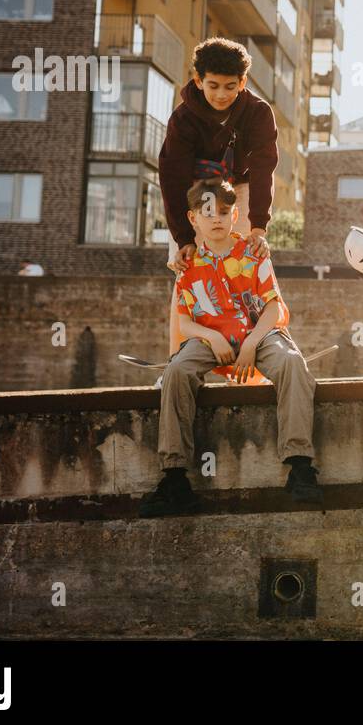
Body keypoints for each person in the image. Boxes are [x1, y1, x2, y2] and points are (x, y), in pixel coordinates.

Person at [138, 178, 320, 518]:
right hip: (210, 337)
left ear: (235, 215)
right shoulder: (187, 264)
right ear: (193, 219)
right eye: (207, 212)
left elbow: (273, 307)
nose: (216, 218)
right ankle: (175, 479)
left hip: (259, 334)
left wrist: (251, 342)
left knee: (293, 363)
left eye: (223, 211)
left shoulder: (253, 252)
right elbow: (186, 321)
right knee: (176, 371)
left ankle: (301, 468)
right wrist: (214, 338)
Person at [159, 37, 277, 355]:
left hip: (239, 187)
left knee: (243, 265)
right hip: (196, 192)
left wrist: (258, 227)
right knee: (189, 273)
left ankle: (250, 352)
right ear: (198, 80)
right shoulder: (183, 119)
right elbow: (172, 181)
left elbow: (265, 169)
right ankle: (178, 359)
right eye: (212, 86)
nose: (221, 95)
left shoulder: (258, 113)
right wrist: (184, 238)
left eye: (230, 86)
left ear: (243, 82)